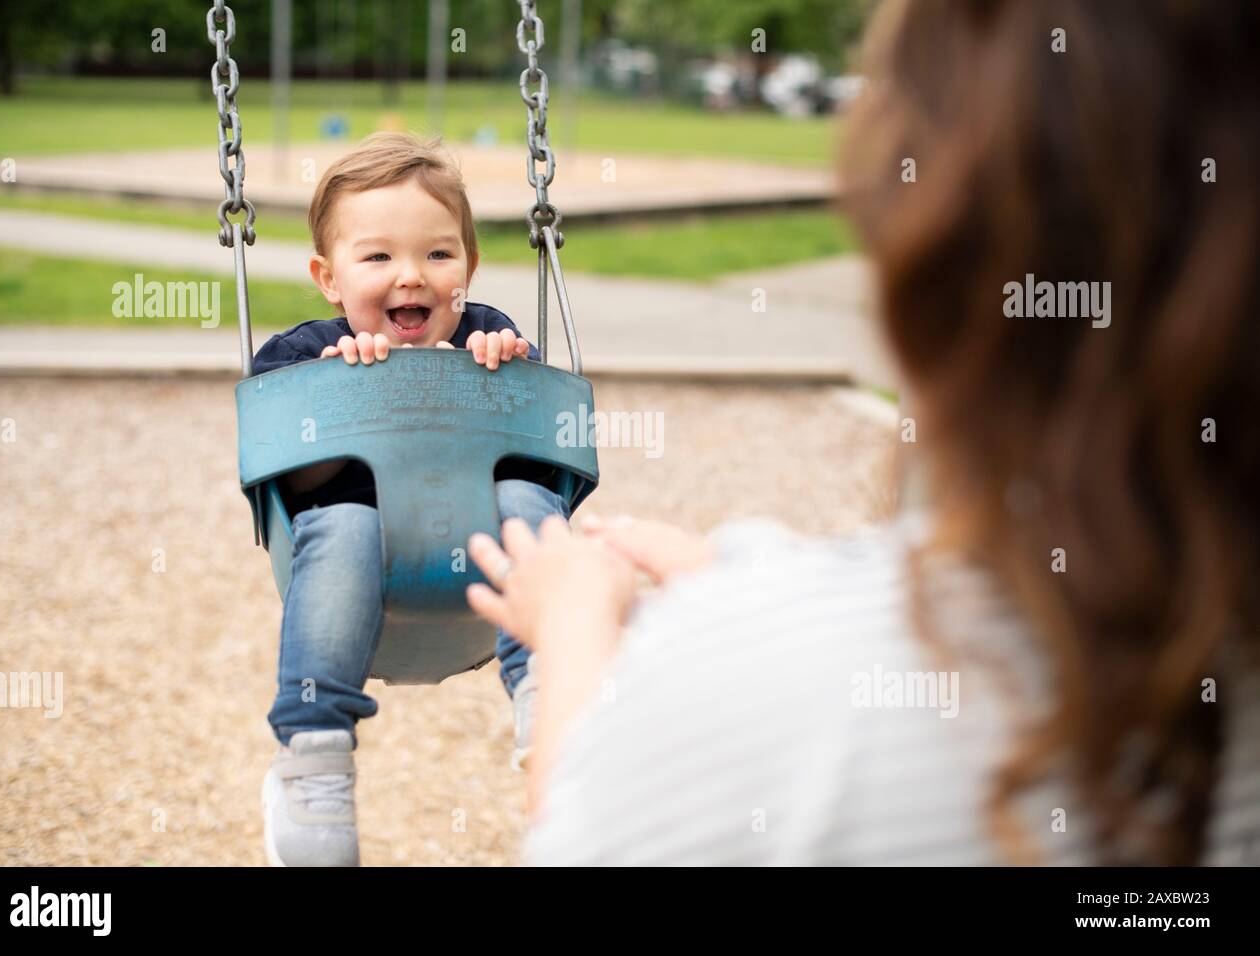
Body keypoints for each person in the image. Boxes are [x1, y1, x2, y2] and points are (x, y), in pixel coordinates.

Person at [466, 0, 1260, 865]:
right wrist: (738, 578)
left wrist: (579, 621)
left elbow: (582, 832)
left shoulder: (790, 712)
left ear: (927, 268)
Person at [253, 132, 567, 866]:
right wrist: (339, 397)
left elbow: (538, 461)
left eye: (437, 254)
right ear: (327, 278)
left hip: (478, 568)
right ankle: (313, 758)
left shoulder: (490, 339)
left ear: (469, 267)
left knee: (524, 499)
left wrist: (503, 377)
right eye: (377, 257)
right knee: (348, 524)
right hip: (357, 569)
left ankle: (553, 703)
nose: (411, 277)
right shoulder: (302, 357)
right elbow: (288, 487)